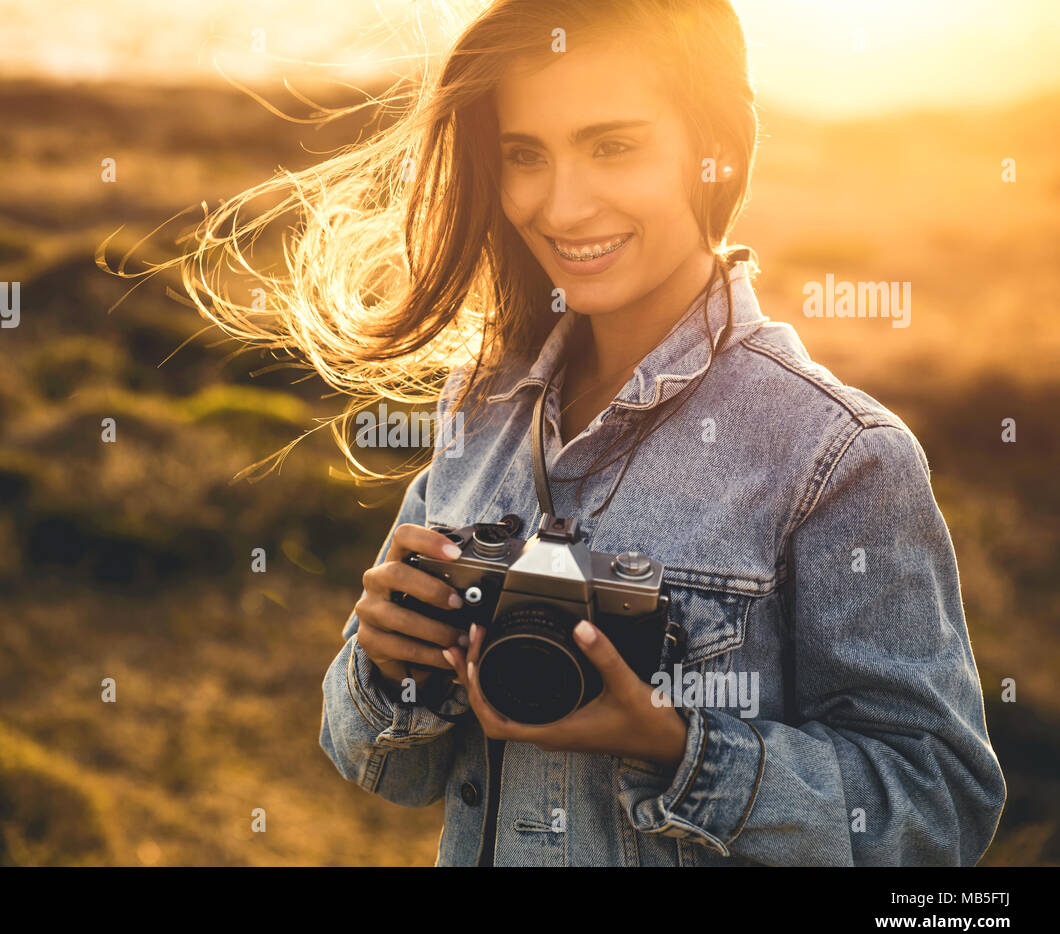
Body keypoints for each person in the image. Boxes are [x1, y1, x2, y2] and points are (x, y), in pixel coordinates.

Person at [187, 0, 1007, 865]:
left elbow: (938, 808)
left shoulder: (836, 456)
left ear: (714, 151)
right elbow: (386, 773)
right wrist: (385, 668)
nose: (563, 206)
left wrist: (677, 746)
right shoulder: (481, 407)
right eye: (524, 155)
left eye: (612, 146)